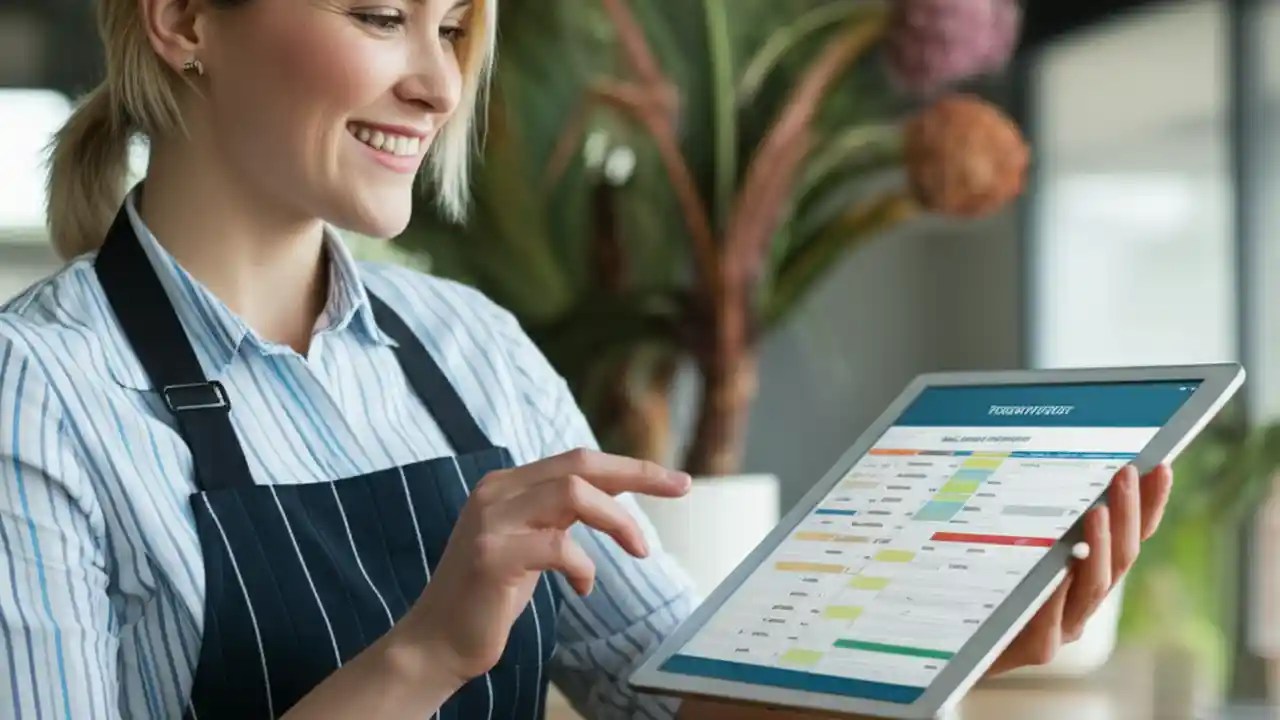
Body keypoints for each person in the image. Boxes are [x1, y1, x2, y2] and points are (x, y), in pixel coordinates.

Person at [0, 0, 1175, 718]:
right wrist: (419, 658)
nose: (441, 80)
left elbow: (680, 707)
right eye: (376, 16)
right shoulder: (40, 393)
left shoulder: (476, 354)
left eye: (452, 24)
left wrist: (946, 655)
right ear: (184, 19)